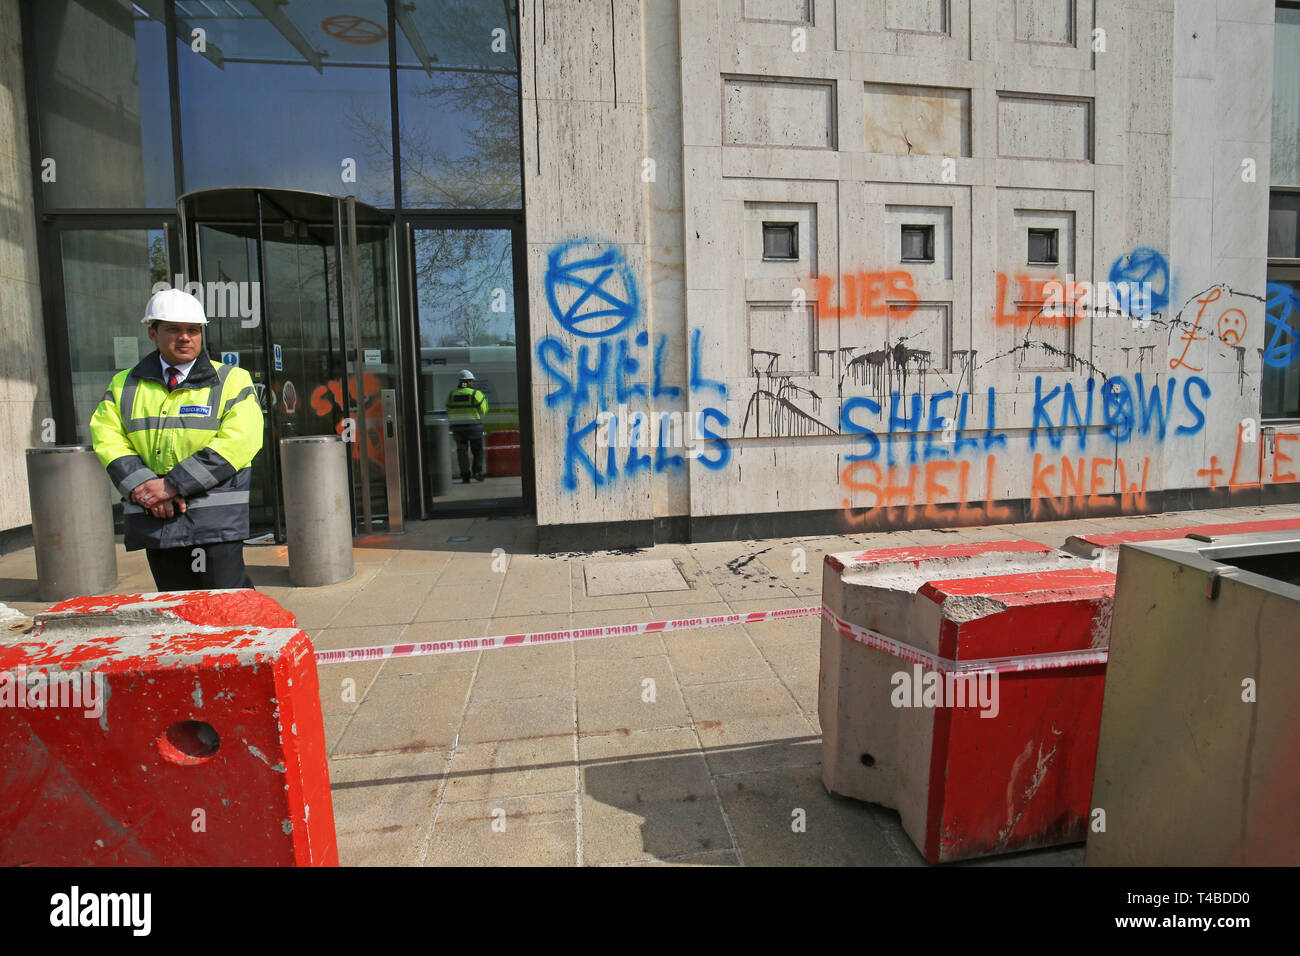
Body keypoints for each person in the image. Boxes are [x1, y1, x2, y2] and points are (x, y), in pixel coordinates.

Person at [90, 288, 264, 591]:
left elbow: (241, 440)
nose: (185, 337)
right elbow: (107, 437)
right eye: (174, 329)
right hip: (157, 517)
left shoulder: (233, 380)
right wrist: (145, 487)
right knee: (176, 607)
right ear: (153, 333)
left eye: (193, 330)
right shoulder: (124, 384)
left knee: (230, 606)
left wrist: (172, 485)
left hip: (213, 520)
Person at [446, 369, 489, 483]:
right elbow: (484, 410)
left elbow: (449, 410)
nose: (473, 383)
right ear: (469, 381)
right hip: (474, 427)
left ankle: (465, 476)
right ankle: (477, 472)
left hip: (458, 428)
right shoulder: (476, 394)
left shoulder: (451, 395)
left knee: (462, 452)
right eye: (472, 381)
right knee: (477, 451)